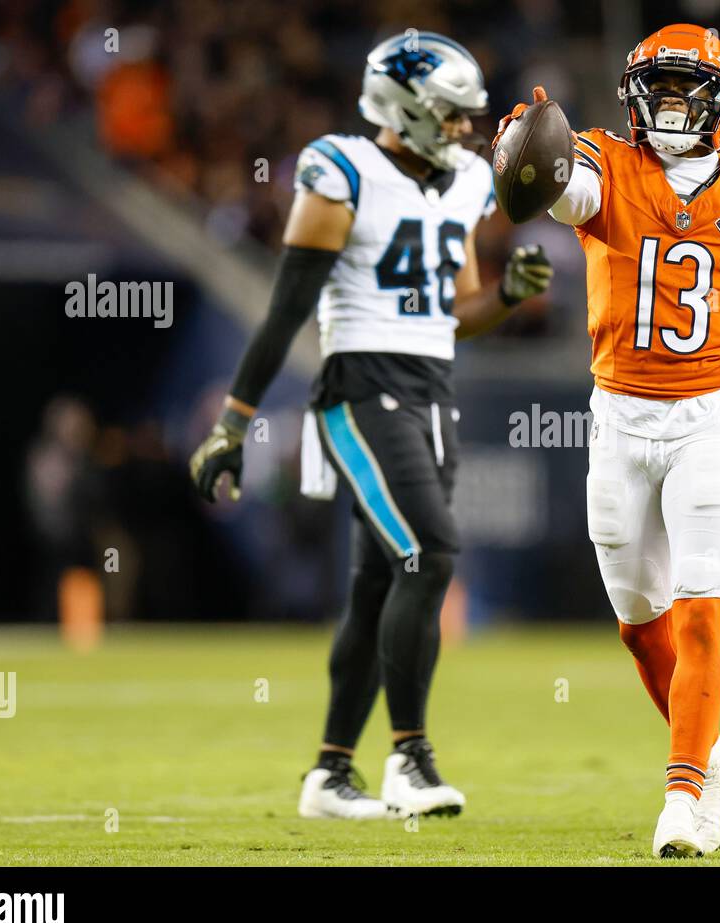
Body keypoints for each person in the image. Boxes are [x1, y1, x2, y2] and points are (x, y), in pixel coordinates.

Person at [496, 23, 720, 857]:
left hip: (707, 422)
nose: (667, 104)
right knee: (636, 623)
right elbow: (563, 193)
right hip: (618, 418)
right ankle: (716, 762)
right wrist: (527, 155)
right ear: (631, 96)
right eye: (655, 87)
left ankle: (683, 800)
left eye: (684, 89)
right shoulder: (602, 165)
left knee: (701, 616)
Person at [189, 30, 552, 821]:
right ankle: (410, 758)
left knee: (376, 584)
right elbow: (288, 306)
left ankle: (328, 776)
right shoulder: (340, 171)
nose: (462, 131)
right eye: (449, 115)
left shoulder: (460, 185)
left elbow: (457, 313)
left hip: (430, 391)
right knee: (431, 551)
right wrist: (233, 421)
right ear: (403, 105)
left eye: (467, 117)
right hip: (360, 386)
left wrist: (510, 297)